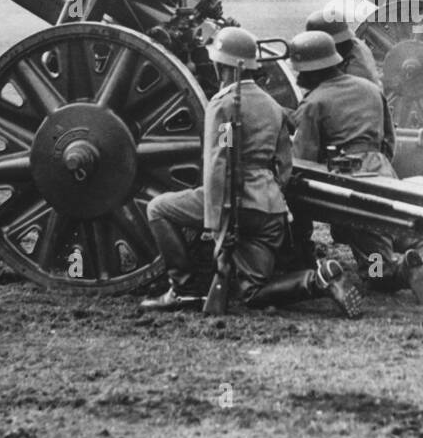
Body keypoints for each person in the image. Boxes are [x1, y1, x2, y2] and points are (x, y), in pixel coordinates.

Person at [141, 26, 362, 317]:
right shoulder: (273, 106)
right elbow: (284, 165)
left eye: (219, 65)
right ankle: (319, 279)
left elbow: (220, 161)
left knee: (158, 208)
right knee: (253, 290)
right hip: (270, 211)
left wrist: (216, 222)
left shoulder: (223, 106)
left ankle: (181, 290)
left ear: (227, 68)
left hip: (235, 205)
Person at [288, 31, 423, 303]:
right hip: (382, 171)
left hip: (350, 181)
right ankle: (421, 246)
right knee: (387, 221)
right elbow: (389, 139)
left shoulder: (314, 102)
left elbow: (302, 161)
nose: (298, 78)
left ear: (311, 71)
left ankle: (402, 271)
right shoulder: (370, 89)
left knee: (375, 270)